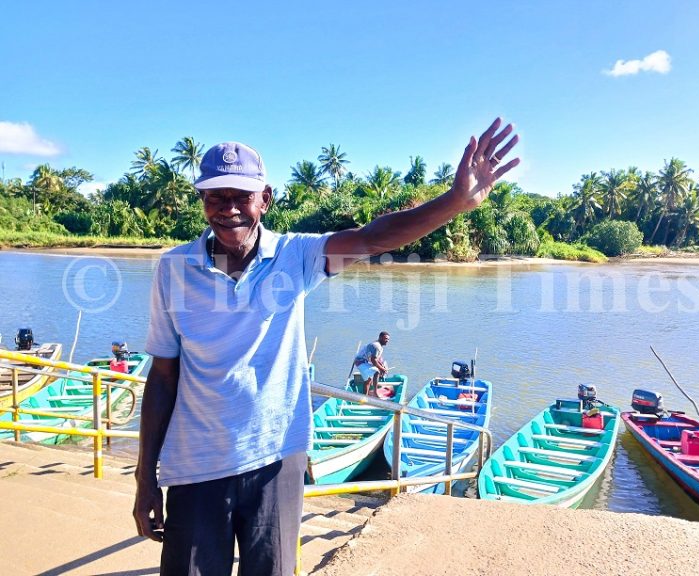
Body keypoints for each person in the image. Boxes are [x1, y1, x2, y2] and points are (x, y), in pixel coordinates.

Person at [132, 118, 520, 575]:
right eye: (216, 196)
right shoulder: (173, 269)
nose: (228, 208)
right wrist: (144, 478)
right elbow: (162, 377)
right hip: (194, 466)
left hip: (275, 460)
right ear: (202, 201)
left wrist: (455, 202)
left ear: (266, 199)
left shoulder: (296, 257)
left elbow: (373, 237)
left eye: (241, 196)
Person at [354, 331, 390, 395]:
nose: (387, 340)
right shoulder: (376, 346)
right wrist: (381, 369)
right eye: (386, 339)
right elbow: (373, 360)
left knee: (368, 380)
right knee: (377, 372)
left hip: (366, 362)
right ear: (380, 337)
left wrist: (382, 366)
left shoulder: (380, 347)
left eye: (388, 339)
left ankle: (365, 396)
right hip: (360, 362)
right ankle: (375, 393)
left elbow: (377, 358)